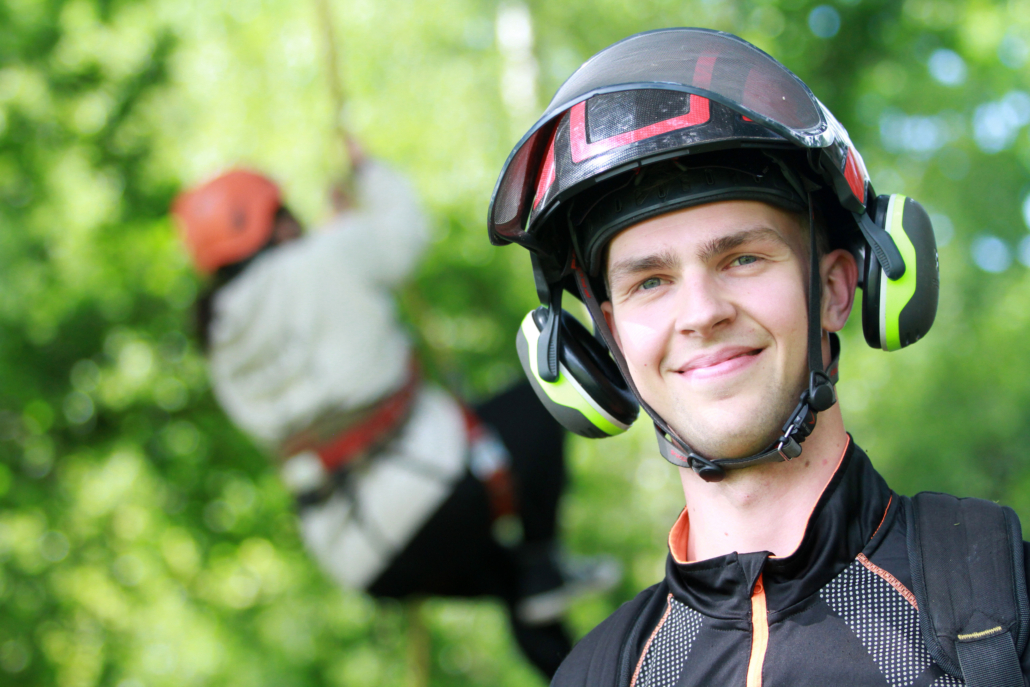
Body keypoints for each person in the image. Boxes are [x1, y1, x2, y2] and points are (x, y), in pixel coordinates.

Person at [487, 28, 1030, 686]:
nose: (701, 312)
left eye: (741, 257)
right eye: (649, 281)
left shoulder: (1007, 603)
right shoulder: (597, 674)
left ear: (836, 289)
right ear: (601, 340)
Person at [170, 143, 619, 679]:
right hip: (432, 495)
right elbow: (404, 234)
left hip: (360, 558)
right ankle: (543, 558)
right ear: (276, 221)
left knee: (513, 584)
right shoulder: (323, 259)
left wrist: (340, 232)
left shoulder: (219, 339)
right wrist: (368, 173)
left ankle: (550, 621)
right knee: (541, 400)